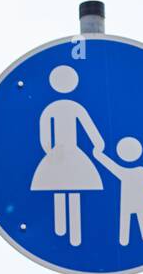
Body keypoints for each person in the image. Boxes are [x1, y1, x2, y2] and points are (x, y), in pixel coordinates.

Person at [30, 64, 106, 247]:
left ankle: (64, 231)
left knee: (62, 188)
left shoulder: (52, 108)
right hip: (67, 152)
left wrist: (49, 152)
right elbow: (90, 129)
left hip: (59, 153)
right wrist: (99, 144)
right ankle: (69, 234)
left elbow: (45, 137)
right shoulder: (72, 107)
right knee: (71, 188)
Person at [93, 136, 143, 246]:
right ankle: (138, 239)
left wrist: (99, 155)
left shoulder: (124, 172)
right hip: (137, 200)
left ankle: (126, 241)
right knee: (138, 218)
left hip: (130, 200)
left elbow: (111, 165)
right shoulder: (139, 171)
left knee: (130, 219)